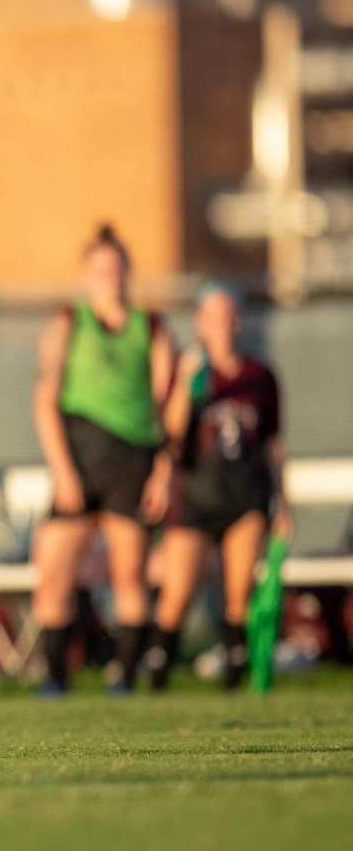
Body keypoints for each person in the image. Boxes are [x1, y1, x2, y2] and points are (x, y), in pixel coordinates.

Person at [31, 225, 174, 694]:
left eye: (117, 268)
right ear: (88, 275)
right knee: (53, 572)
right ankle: (55, 677)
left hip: (130, 464)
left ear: (128, 272)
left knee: (129, 574)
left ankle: (127, 675)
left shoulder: (150, 327)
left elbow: (167, 410)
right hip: (80, 462)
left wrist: (162, 472)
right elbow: (45, 400)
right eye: (101, 269)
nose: (110, 276)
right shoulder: (69, 322)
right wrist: (63, 472)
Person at [149, 284, 289, 690]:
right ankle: (156, 679)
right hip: (194, 496)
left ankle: (234, 682)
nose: (221, 327)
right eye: (212, 318)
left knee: (238, 596)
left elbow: (273, 446)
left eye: (228, 317)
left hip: (244, 495)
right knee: (175, 597)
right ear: (200, 324)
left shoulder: (260, 377)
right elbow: (171, 436)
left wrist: (283, 503)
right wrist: (186, 385)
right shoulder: (189, 374)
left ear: (238, 322)